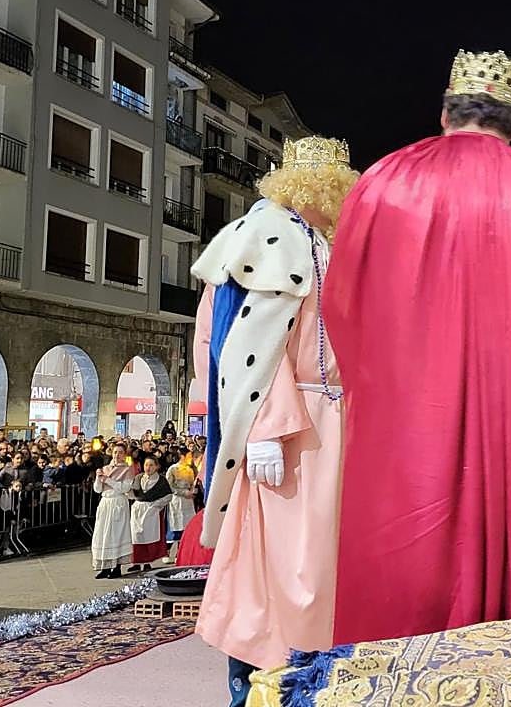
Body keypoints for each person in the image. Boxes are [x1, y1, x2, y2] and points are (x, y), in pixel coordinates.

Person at [324, 49, 511, 645]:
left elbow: (343, 310)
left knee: (409, 581)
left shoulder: (385, 182)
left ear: (445, 111)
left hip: (410, 427)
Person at [192, 134, 358, 706]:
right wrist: (265, 427)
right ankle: (260, 694)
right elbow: (245, 345)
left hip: (329, 423)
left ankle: (304, 686)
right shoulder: (275, 236)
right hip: (293, 431)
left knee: (311, 571)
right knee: (278, 577)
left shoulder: (315, 240)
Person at [91, 442, 134, 579]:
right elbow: (98, 489)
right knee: (103, 534)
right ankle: (105, 566)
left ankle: (116, 567)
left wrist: (108, 480)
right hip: (105, 503)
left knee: (116, 534)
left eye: (120, 452)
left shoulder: (127, 469)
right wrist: (98, 478)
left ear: (124, 455)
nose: (117, 455)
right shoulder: (105, 468)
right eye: (115, 452)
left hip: (118, 503)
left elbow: (124, 488)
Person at [128, 455, 171, 572]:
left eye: (151, 465)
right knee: (136, 536)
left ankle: (147, 561)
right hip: (138, 509)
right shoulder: (138, 478)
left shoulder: (161, 480)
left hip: (151, 511)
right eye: (146, 465)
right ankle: (136, 561)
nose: (148, 467)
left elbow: (168, 496)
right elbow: (132, 493)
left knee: (149, 536)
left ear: (156, 466)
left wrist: (155, 506)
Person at [163, 453, 197, 564]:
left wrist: (192, 491)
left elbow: (192, 484)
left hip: (187, 501)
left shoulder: (190, 470)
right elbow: (169, 485)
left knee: (185, 527)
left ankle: (179, 552)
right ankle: (167, 551)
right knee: (175, 526)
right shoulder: (173, 469)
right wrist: (182, 492)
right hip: (176, 500)